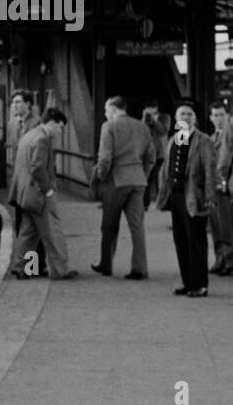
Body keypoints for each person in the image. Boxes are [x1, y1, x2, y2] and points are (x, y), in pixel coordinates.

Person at [156, 100, 218, 297]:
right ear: (176, 118)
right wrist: (163, 191)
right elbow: (168, 166)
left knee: (196, 241)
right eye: (182, 114)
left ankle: (200, 285)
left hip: (194, 196)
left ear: (196, 119)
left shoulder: (204, 140)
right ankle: (188, 282)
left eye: (189, 114)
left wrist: (209, 195)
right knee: (180, 240)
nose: (186, 117)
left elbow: (210, 170)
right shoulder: (175, 139)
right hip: (176, 196)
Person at [90, 96, 155, 279]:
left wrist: (102, 177)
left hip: (116, 181)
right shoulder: (142, 126)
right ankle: (139, 269)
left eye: (106, 110)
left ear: (113, 109)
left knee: (109, 225)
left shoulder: (109, 127)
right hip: (138, 181)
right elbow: (151, 156)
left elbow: (105, 157)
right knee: (137, 227)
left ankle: (106, 264)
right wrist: (143, 174)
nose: (105, 114)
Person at [9, 108, 77, 280]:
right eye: (60, 127)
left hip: (25, 194)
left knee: (28, 233)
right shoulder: (42, 140)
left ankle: (19, 267)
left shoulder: (29, 135)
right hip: (38, 194)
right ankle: (60, 270)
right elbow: (37, 168)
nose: (60, 132)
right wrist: (48, 191)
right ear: (52, 123)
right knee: (53, 233)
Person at [7, 90, 46, 275]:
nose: (15, 105)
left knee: (34, 226)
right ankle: (28, 265)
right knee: (21, 223)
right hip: (19, 180)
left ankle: (34, 267)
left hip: (32, 180)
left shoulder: (37, 123)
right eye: (13, 102)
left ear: (29, 104)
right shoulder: (12, 124)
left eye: (19, 102)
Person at [209, 99, 233, 275]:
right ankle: (220, 258)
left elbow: (224, 161)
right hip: (213, 186)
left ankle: (229, 260)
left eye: (222, 115)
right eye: (215, 115)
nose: (219, 118)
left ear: (228, 116)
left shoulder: (229, 134)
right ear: (210, 118)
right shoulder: (211, 138)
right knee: (215, 225)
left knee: (226, 225)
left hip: (224, 185)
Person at [142, 101, 172, 210]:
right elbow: (142, 131)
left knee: (162, 180)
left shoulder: (165, 117)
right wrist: (144, 118)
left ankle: (163, 203)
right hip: (148, 154)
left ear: (156, 108)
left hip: (161, 154)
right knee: (146, 180)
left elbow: (163, 131)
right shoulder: (146, 119)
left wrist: (155, 120)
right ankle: (145, 204)